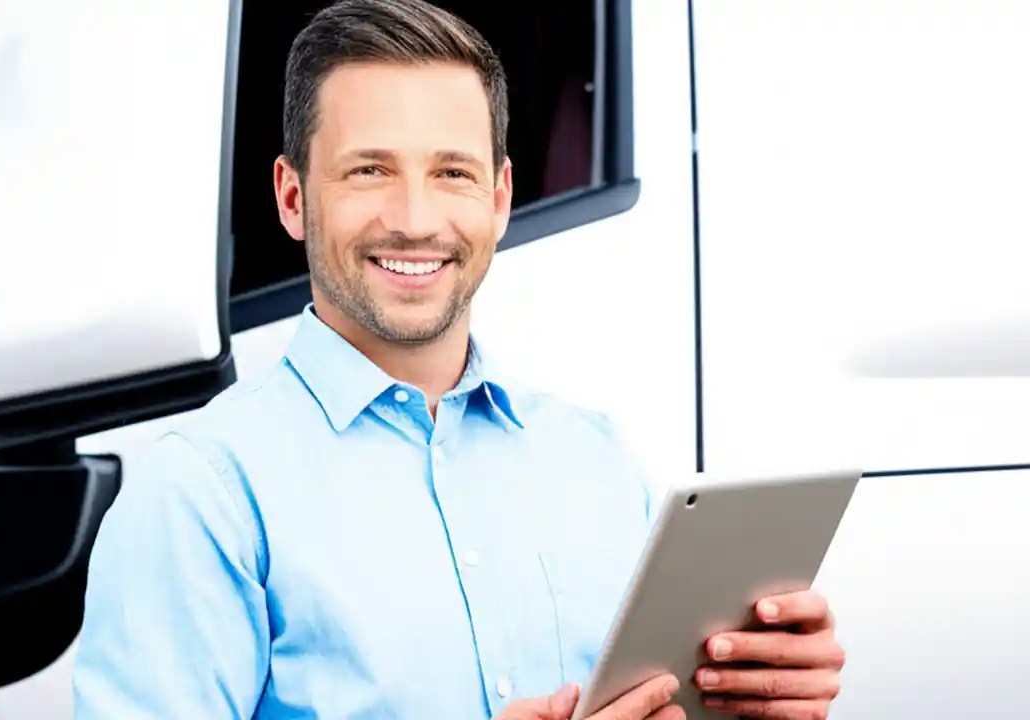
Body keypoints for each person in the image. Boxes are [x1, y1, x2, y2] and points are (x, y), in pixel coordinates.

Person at [71, 1, 846, 718]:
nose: (415, 220)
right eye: (369, 169)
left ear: (500, 197)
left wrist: (750, 693)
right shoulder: (199, 495)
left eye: (452, 173)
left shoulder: (600, 462)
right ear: (292, 195)